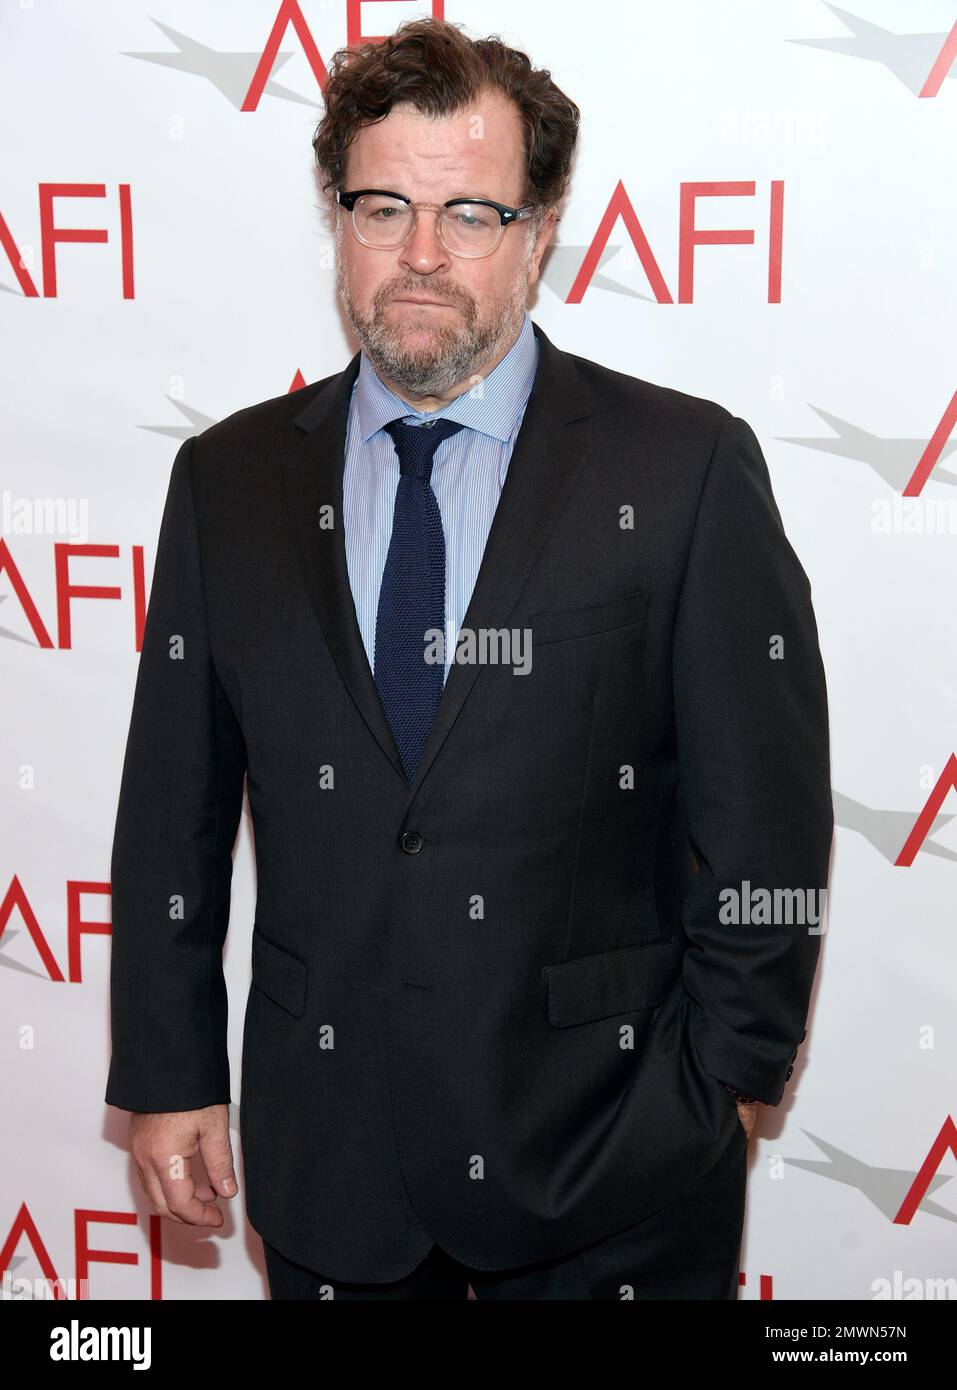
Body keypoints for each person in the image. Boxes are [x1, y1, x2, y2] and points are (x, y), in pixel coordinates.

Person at [105, 17, 833, 1300]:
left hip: (611, 1179)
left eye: (472, 214)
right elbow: (172, 811)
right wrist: (167, 1079)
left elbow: (765, 823)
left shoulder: (681, 471)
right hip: (330, 1168)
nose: (423, 255)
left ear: (540, 232)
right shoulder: (230, 481)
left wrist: (718, 1085)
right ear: (338, 218)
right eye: (383, 207)